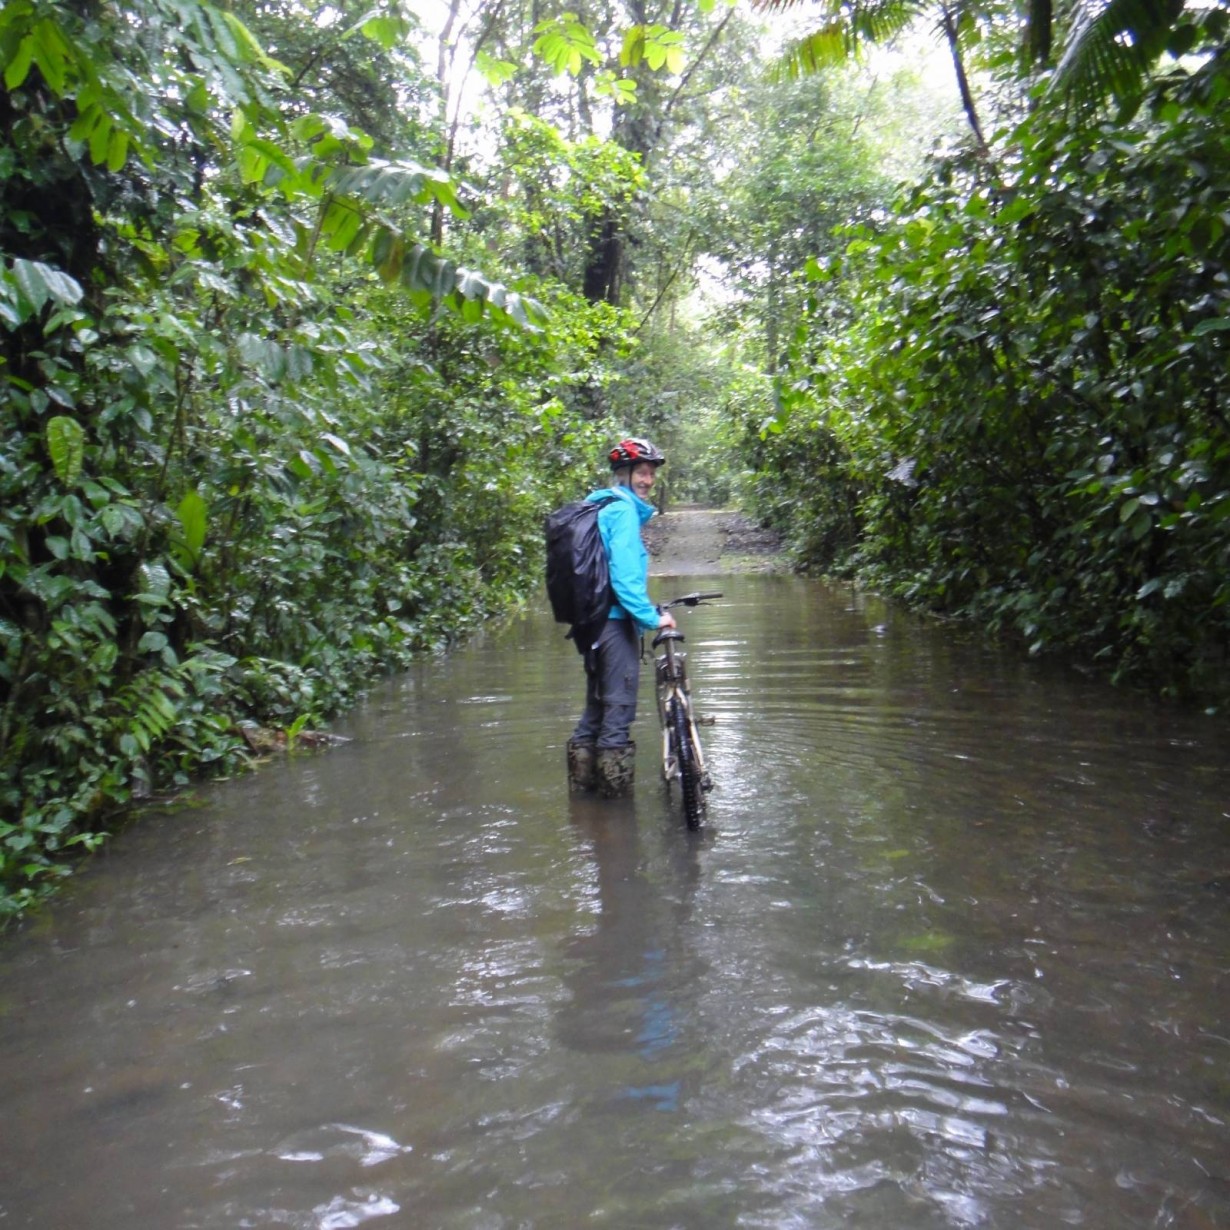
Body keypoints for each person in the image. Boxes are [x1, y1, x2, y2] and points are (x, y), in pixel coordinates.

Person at [567, 437, 677, 798]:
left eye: (650, 474)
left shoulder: (597, 505)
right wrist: (651, 618)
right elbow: (625, 577)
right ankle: (615, 819)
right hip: (614, 623)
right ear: (623, 474)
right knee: (617, 715)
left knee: (594, 712)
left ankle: (583, 806)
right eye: (641, 473)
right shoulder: (623, 512)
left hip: (590, 624)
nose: (647, 480)